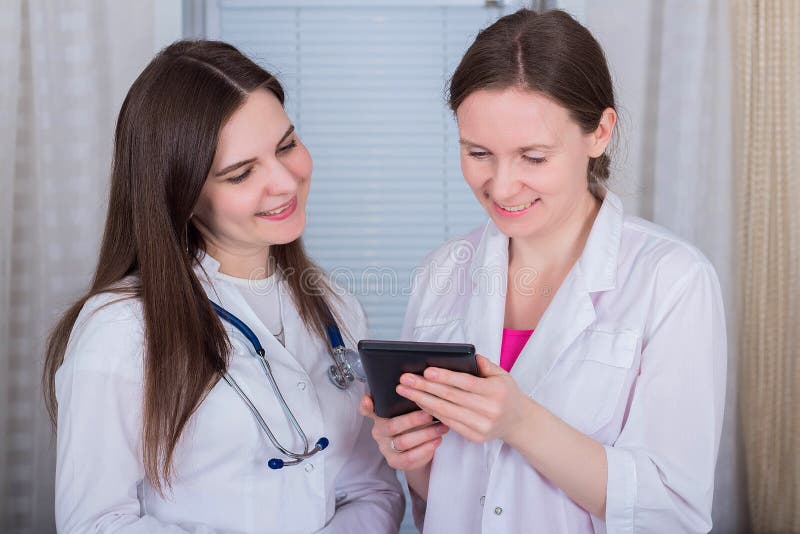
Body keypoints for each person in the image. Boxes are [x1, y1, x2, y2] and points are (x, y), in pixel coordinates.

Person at [360, 9, 726, 533]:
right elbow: (441, 497)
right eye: (478, 153)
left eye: (533, 157)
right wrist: (408, 454)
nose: (502, 186)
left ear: (599, 132)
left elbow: (672, 509)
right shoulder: (442, 272)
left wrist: (521, 423)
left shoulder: (672, 280)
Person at [44, 40, 404, 533]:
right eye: (241, 173)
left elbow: (372, 490)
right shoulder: (121, 330)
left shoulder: (334, 309)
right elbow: (96, 524)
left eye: (286, 146)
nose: (285, 182)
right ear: (182, 194)